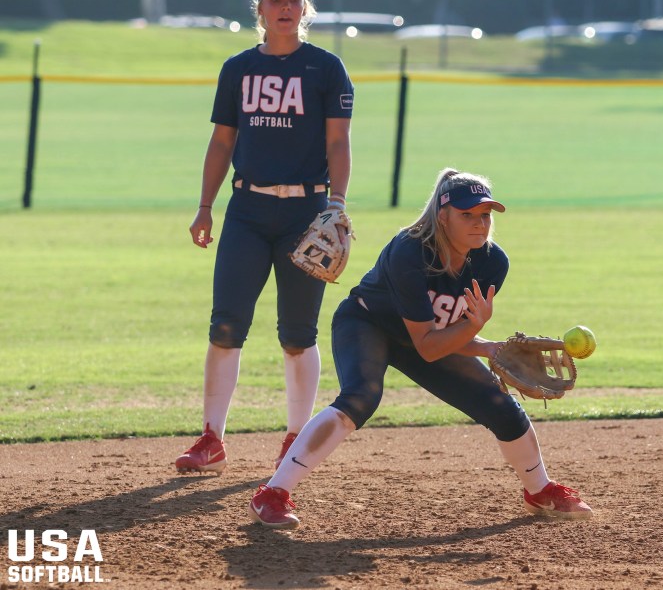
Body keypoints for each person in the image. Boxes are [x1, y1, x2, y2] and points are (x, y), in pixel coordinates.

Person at [247, 169, 593, 528]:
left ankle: (539, 491)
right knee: (360, 397)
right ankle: (271, 494)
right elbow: (429, 347)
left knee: (498, 401)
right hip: (367, 323)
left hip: (424, 337)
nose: (480, 224)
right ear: (443, 216)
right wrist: (476, 328)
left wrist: (488, 348)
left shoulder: (492, 262)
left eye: (485, 215)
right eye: (467, 214)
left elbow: (441, 335)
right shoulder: (409, 251)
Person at [175, 0, 354, 475]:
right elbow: (222, 140)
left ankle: (295, 439)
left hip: (306, 210)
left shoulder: (325, 68)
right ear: (260, 8)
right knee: (225, 325)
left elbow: (338, 141)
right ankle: (211, 439)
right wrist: (205, 206)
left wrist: (337, 204)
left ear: (305, 8)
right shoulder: (238, 69)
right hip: (247, 209)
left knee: (297, 334)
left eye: (294, 0)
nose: (285, 8)